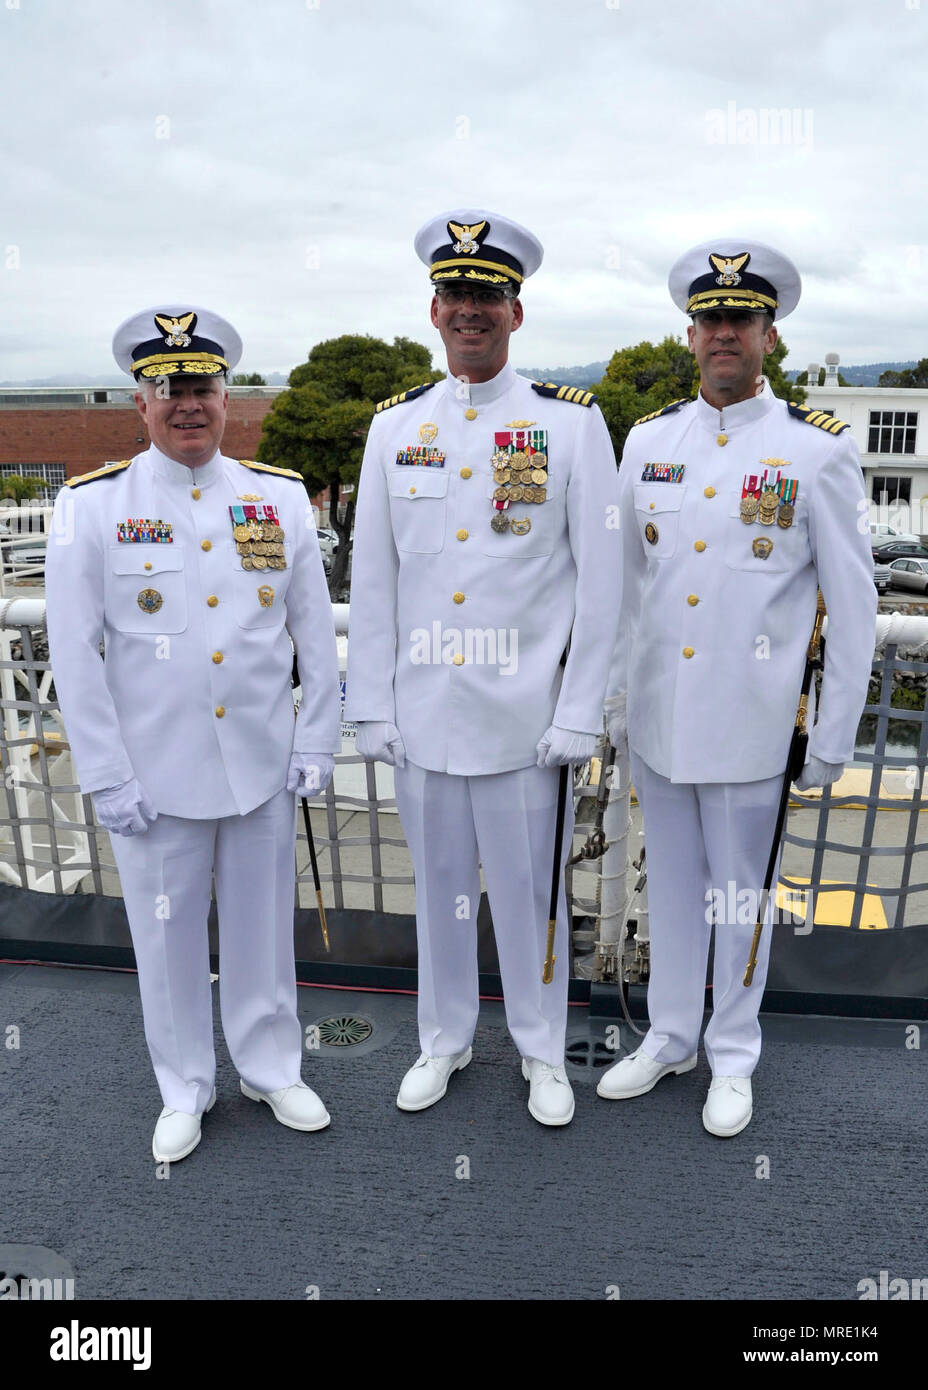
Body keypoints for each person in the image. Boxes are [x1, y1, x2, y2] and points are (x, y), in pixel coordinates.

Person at [45, 305, 341, 1162]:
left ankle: (271, 1066)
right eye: (167, 388)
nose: (187, 404)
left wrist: (315, 740)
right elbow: (75, 651)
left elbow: (312, 637)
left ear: (227, 398)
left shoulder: (275, 498)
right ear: (139, 402)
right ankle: (183, 1085)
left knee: (260, 927)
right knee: (166, 938)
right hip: (154, 772)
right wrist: (105, 774)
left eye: (202, 387)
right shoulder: (92, 506)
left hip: (259, 763)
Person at [345, 210, 621, 1126]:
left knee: (533, 899)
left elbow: (603, 585)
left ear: (516, 311)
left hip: (525, 722)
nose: (472, 311)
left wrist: (580, 711)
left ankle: (544, 1052)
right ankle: (445, 1040)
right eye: (457, 295)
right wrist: (371, 706)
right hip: (425, 715)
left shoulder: (572, 428)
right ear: (434, 309)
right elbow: (374, 578)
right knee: (442, 898)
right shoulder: (395, 430)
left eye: (488, 296)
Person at [598, 240, 877, 1136]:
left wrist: (831, 738)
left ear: (768, 335)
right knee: (673, 888)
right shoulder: (647, 443)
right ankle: (672, 1034)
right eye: (712, 319)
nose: (726, 334)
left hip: (754, 724)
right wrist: (610, 702)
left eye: (742, 320)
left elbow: (855, 603)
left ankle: (733, 1052)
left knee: (738, 896)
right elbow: (624, 591)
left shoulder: (813, 453)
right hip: (661, 718)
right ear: (691, 334)